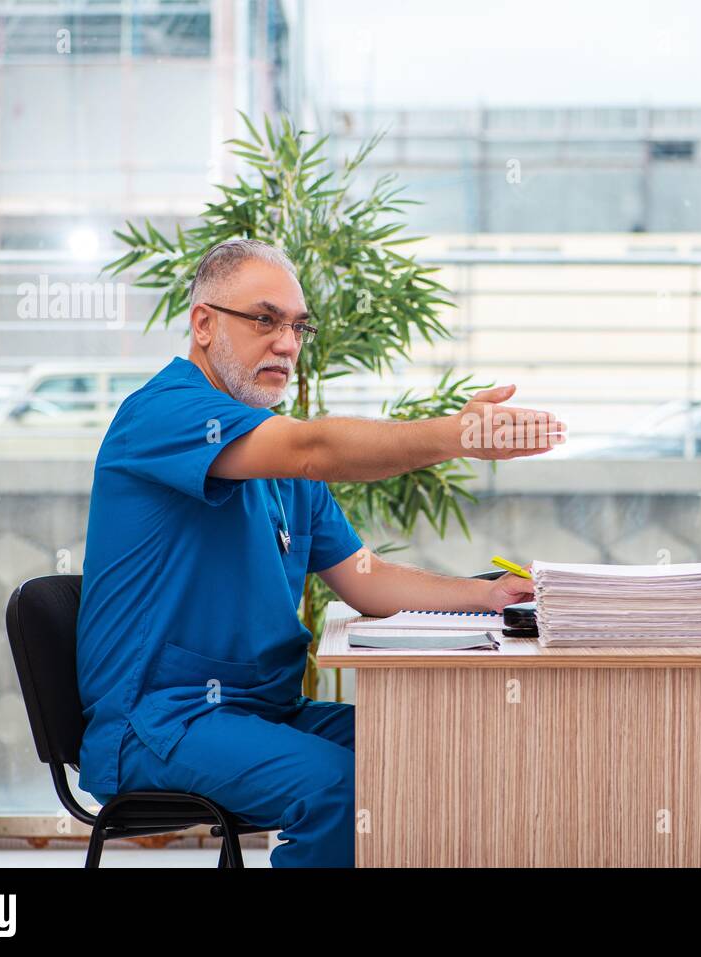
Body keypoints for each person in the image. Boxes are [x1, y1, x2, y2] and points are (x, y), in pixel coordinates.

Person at [76, 238, 565, 867]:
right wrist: (455, 434)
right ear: (203, 323)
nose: (287, 343)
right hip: (160, 722)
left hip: (266, 712)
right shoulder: (165, 415)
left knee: (437, 752)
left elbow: (365, 578)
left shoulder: (280, 460)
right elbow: (315, 448)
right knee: (343, 786)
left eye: (298, 327)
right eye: (264, 320)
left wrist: (488, 597)